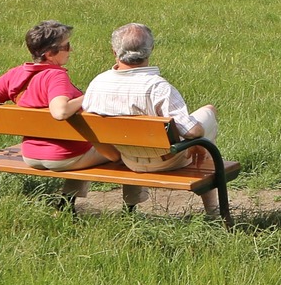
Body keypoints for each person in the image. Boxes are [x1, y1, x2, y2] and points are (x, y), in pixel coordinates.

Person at [80, 23, 225, 214]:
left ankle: (130, 208)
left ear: (114, 51)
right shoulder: (158, 87)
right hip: (168, 160)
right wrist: (199, 141)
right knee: (208, 112)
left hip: (127, 158)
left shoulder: (98, 84)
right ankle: (213, 210)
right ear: (151, 49)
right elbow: (192, 131)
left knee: (133, 137)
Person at [0, 21, 116, 174]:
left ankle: (69, 191)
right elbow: (60, 112)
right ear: (49, 54)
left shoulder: (15, 74)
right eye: (67, 46)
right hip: (66, 156)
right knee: (125, 152)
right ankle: (127, 190)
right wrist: (90, 96)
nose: (71, 49)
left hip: (30, 155)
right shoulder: (56, 76)